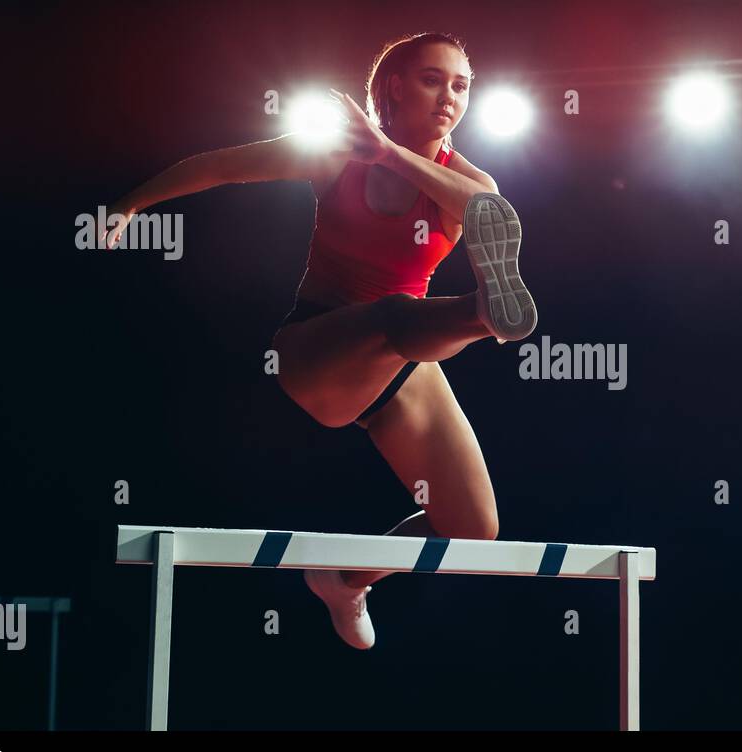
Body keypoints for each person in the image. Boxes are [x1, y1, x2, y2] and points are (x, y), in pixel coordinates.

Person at [101, 32, 536, 650]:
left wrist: (388, 154)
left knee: (472, 529)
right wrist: (127, 206)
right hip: (316, 349)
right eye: (432, 80)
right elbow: (223, 164)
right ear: (392, 86)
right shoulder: (336, 156)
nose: (449, 97)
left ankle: (345, 581)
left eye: (461, 85)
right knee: (395, 317)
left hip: (403, 362)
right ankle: (482, 314)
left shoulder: (461, 182)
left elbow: (488, 207)